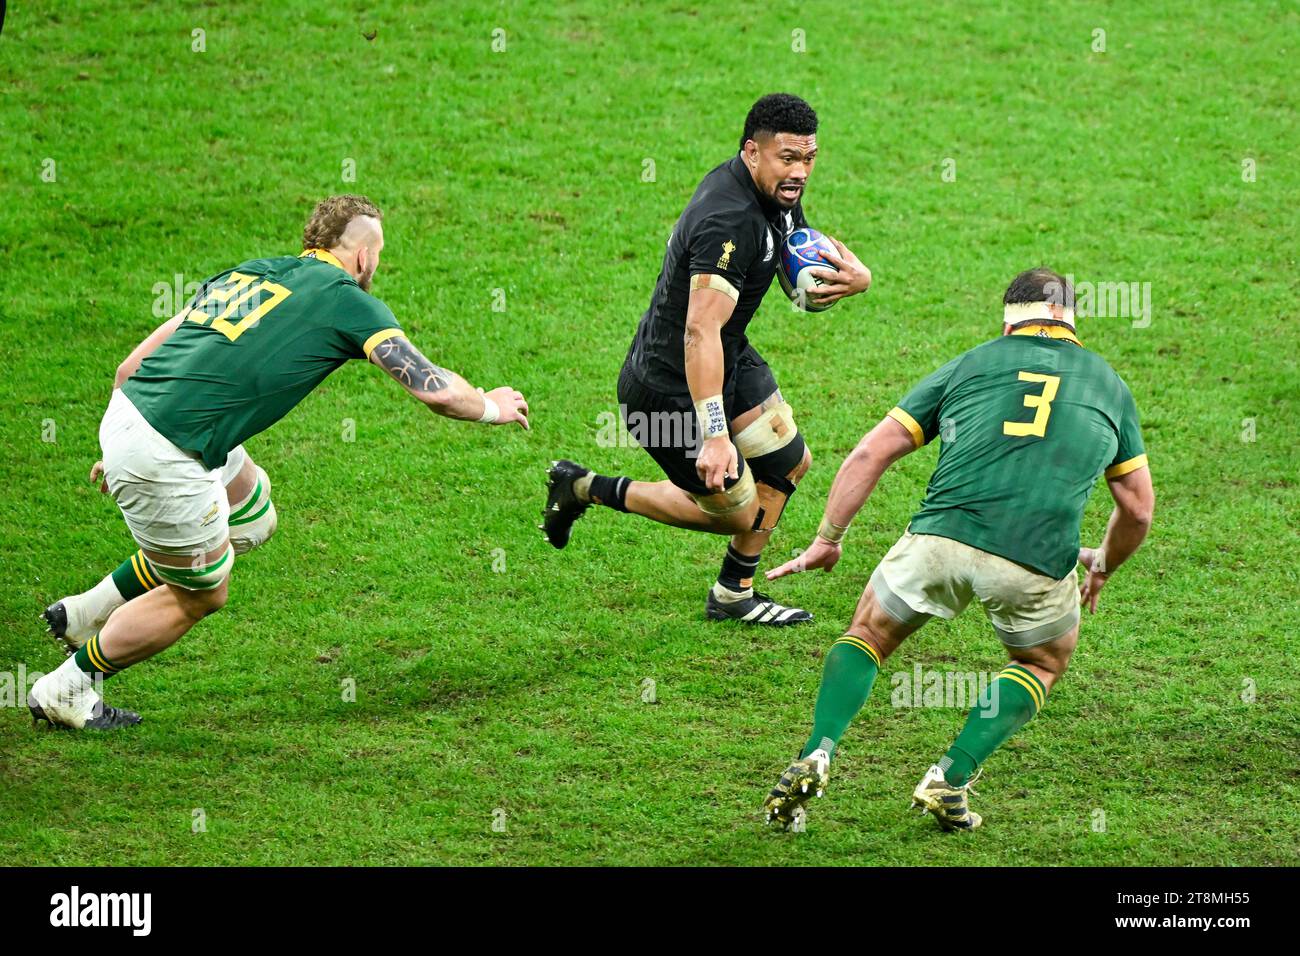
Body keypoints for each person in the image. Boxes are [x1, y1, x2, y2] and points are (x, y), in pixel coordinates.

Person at [31, 195, 530, 730]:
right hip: (170, 448)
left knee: (251, 510)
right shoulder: (348, 301)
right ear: (362, 259)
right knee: (201, 592)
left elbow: (132, 365)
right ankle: (68, 686)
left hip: (138, 415)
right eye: (378, 255)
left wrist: (123, 445)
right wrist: (492, 407)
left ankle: (81, 614)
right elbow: (434, 390)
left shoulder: (252, 273)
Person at [761, 267, 1154, 831]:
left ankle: (817, 753)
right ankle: (949, 778)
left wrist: (828, 540)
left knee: (868, 635)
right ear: (1072, 319)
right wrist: (1104, 564)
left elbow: (871, 453)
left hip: (939, 540)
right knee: (1042, 660)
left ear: (1007, 320)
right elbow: (1137, 508)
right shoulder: (1109, 385)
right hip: (1034, 561)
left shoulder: (974, 362)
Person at [543, 93, 872, 626]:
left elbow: (790, 273)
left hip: (727, 350)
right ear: (752, 153)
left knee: (788, 460)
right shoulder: (728, 219)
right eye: (787, 158)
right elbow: (698, 330)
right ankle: (584, 487)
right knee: (734, 510)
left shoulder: (777, 196)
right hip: (667, 383)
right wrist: (715, 434)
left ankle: (733, 595)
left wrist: (851, 282)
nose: (800, 172)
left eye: (808, 158)